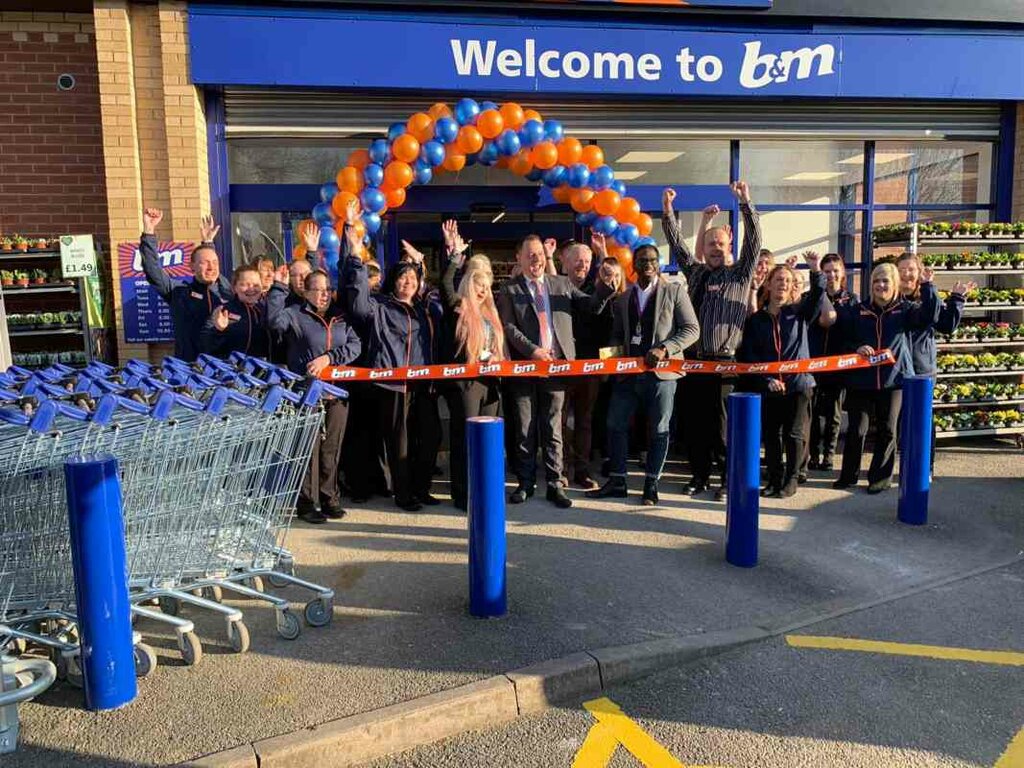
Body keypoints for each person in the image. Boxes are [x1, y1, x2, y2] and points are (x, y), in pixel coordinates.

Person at [496, 234, 614, 509]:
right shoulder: (509, 289)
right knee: (525, 428)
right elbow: (508, 327)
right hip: (526, 368)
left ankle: (555, 484)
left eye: (539, 254)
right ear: (519, 259)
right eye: (530, 255)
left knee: (553, 428)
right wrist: (533, 351)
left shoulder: (561, 284)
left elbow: (591, 306)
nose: (536, 259)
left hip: (557, 368)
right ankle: (525, 483)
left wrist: (605, 284)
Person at [662, 181, 762, 501]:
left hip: (725, 363)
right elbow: (677, 245)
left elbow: (754, 242)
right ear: (703, 248)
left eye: (720, 243)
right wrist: (667, 211)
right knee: (696, 425)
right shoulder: (697, 274)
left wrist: (745, 203)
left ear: (729, 245)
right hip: (694, 361)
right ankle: (699, 476)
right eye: (710, 244)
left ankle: (727, 479)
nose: (715, 248)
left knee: (722, 428)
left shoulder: (740, 274)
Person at [340, 204, 439, 512]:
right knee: (400, 444)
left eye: (413, 279)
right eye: (403, 278)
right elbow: (357, 302)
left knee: (430, 437)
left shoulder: (423, 308)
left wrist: (420, 264)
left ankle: (421, 488)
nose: (408, 282)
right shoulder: (380, 306)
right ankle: (404, 493)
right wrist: (355, 254)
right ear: (393, 281)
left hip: (422, 385)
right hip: (393, 386)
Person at [587, 244, 700, 505]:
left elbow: (692, 329)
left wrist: (665, 348)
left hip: (662, 375)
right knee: (615, 424)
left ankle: (651, 484)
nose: (647, 264)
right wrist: (612, 361)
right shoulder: (624, 298)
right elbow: (617, 334)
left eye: (652, 260)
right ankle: (618, 480)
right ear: (634, 265)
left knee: (659, 429)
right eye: (642, 260)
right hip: (628, 375)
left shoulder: (674, 291)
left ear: (658, 264)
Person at [266, 224, 361, 524]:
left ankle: (330, 498)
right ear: (305, 292)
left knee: (332, 448)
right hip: (306, 394)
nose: (323, 295)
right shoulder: (294, 315)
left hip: (337, 394)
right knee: (308, 449)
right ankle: (307, 504)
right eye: (316, 290)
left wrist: (329, 358)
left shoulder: (340, 316)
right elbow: (274, 323)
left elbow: (355, 345)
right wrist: (278, 288)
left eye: (326, 290)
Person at [833, 262, 939, 493]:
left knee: (888, 430)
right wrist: (857, 347)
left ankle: (880, 478)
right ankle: (848, 475)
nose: (880, 285)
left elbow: (930, 316)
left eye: (885, 281)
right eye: (876, 281)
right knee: (857, 429)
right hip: (861, 381)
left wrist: (928, 287)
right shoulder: (858, 310)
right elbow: (843, 340)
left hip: (894, 380)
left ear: (895, 284)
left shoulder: (906, 309)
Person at [738, 254, 828, 498]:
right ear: (768, 284)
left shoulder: (799, 313)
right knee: (772, 435)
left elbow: (818, 296)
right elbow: (750, 355)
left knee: (794, 434)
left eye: (788, 281)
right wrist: (767, 380)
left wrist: (815, 270)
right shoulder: (756, 320)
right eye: (778, 279)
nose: (783, 284)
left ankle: (792, 478)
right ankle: (774, 478)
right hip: (769, 386)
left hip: (798, 385)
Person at [437, 220, 506, 510]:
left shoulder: (492, 314)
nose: (483, 291)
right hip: (466, 385)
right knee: (464, 439)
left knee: (487, 440)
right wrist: (455, 255)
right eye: (479, 285)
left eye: (487, 287)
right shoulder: (459, 307)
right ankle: (462, 492)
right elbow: (444, 284)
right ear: (469, 284)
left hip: (490, 383)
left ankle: (484, 489)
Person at [897, 252, 973, 474]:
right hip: (895, 369)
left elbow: (946, 325)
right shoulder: (890, 299)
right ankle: (898, 465)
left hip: (922, 367)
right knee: (895, 419)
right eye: (901, 270)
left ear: (919, 272)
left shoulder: (928, 297)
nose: (906, 274)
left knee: (922, 420)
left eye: (911, 269)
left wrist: (957, 299)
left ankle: (924, 467)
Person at [140, 208, 231, 362]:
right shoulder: (179, 292)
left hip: (224, 369)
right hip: (190, 368)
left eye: (215, 262)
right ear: (192, 266)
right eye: (204, 263)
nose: (211, 267)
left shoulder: (226, 291)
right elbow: (152, 270)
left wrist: (208, 243)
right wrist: (149, 232)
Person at [806, 254, 859, 471]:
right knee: (812, 413)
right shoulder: (813, 296)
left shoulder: (852, 300)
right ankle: (813, 455)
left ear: (842, 272)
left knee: (833, 415)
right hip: (813, 364)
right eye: (826, 271)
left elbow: (855, 330)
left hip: (838, 367)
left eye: (835, 270)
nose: (831, 275)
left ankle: (829, 455)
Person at [558, 239, 603, 490]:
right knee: (560, 421)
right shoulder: (555, 287)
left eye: (587, 261)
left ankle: (582, 471)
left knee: (585, 421)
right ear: (565, 262)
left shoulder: (595, 290)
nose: (582, 265)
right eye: (577, 260)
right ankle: (562, 469)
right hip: (561, 368)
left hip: (589, 368)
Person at [199, 264, 270, 359]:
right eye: (244, 284)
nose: (251, 289)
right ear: (234, 288)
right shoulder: (223, 311)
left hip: (260, 367)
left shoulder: (266, 310)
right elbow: (206, 345)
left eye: (256, 285)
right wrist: (219, 330)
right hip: (231, 366)